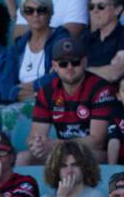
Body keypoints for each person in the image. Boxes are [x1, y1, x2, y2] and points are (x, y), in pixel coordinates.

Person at [22, 37, 115, 165]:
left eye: (75, 62)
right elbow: (34, 136)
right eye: (63, 64)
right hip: (62, 151)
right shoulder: (47, 91)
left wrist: (56, 145)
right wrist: (37, 144)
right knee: (23, 158)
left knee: (73, 159)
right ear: (54, 66)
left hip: (94, 153)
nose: (70, 67)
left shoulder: (100, 88)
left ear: (84, 62)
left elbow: (97, 142)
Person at [35, 140, 110, 197]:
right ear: (55, 169)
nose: (69, 170)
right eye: (63, 166)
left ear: (85, 167)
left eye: (75, 165)